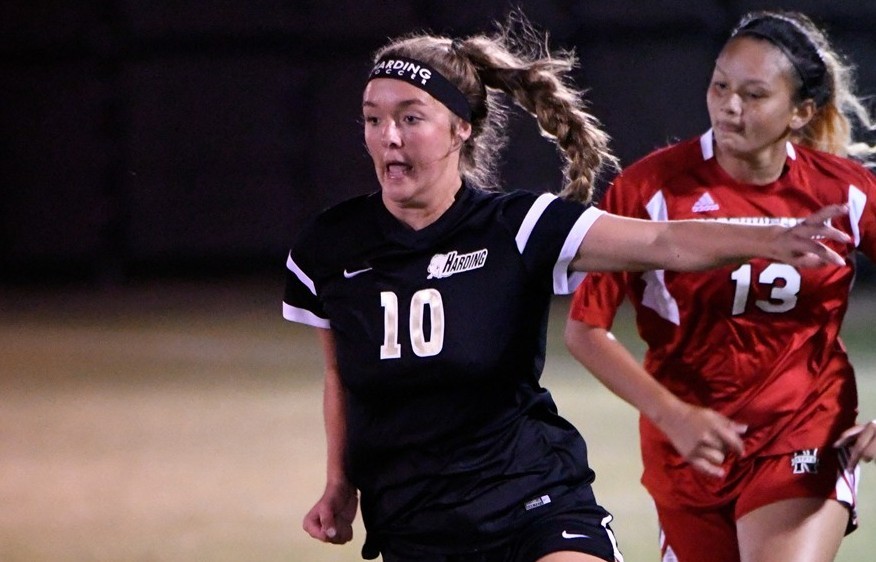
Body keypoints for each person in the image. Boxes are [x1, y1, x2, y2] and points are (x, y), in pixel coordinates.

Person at [284, 14, 849, 562]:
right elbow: (341, 377)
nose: (388, 137)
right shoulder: (329, 247)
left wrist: (770, 237)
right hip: (414, 521)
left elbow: (661, 240)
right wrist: (339, 484)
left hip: (534, 501)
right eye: (373, 119)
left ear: (461, 128)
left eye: (411, 118)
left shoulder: (517, 226)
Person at [564, 10, 876, 562]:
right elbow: (585, 330)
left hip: (803, 430)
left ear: (801, 112)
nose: (730, 106)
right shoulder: (652, 189)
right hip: (691, 449)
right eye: (720, 86)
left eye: (754, 95)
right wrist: (672, 415)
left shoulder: (843, 192)